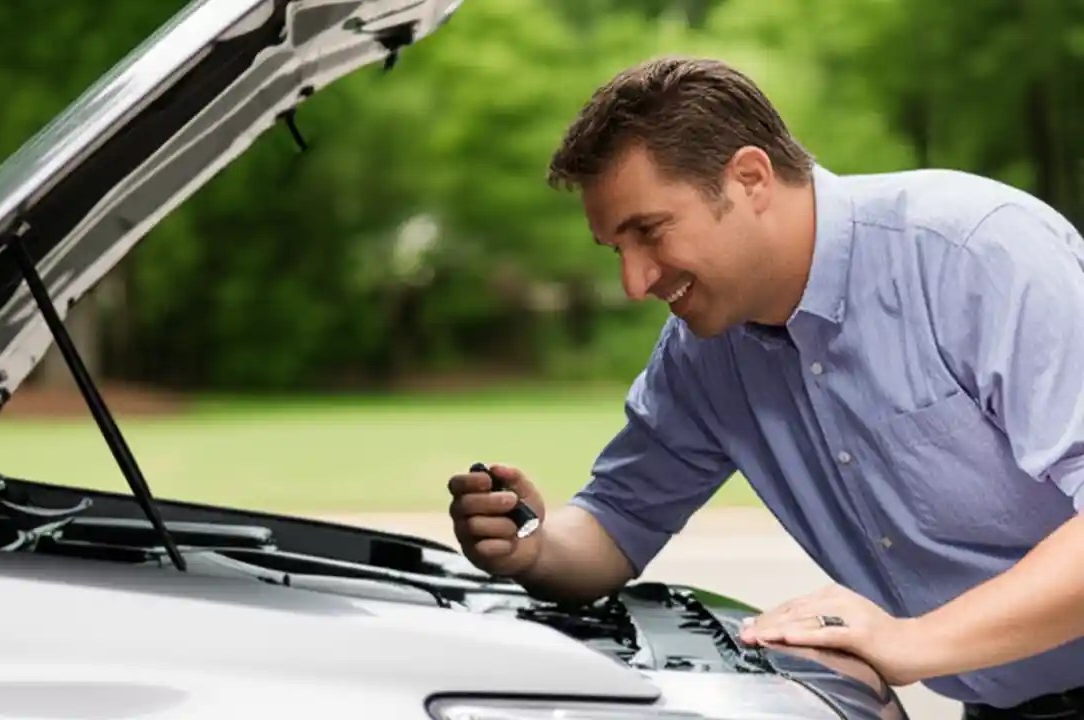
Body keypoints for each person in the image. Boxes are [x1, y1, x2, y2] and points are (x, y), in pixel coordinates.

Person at [446, 55, 1084, 719]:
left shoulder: (976, 253)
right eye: (616, 250)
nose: (635, 282)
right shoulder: (704, 354)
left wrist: (911, 641)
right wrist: (530, 546)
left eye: (650, 233)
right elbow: (618, 521)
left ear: (749, 178)